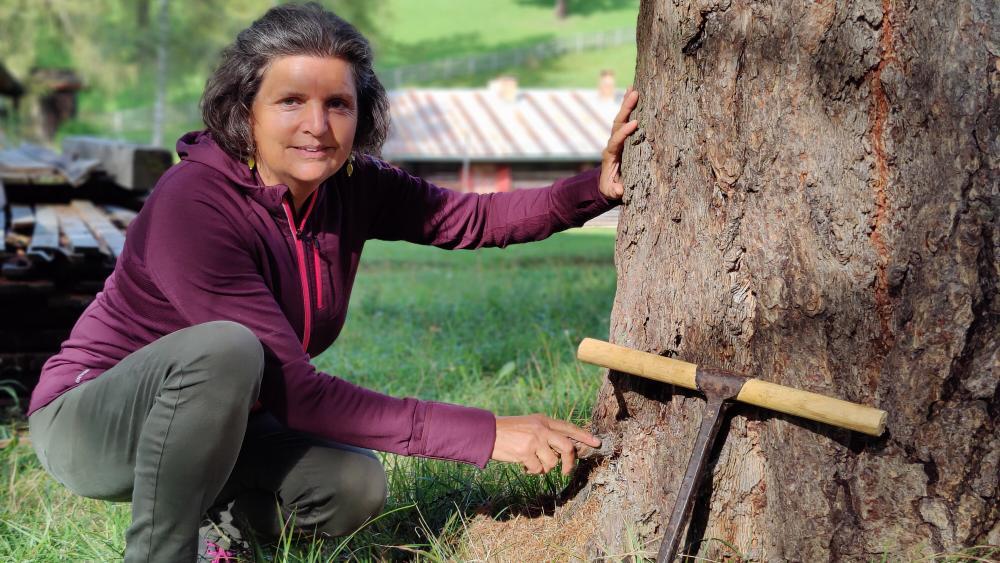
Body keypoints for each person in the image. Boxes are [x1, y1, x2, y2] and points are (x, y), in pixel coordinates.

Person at [26, 3, 640, 562]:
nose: (317, 126)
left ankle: (227, 534)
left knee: (353, 486)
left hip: (228, 421)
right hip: (91, 421)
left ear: (360, 113)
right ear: (246, 111)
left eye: (337, 104)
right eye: (290, 101)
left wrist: (596, 189)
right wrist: (488, 433)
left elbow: (469, 218)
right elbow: (299, 394)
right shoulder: (195, 203)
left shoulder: (350, 185)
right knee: (227, 348)